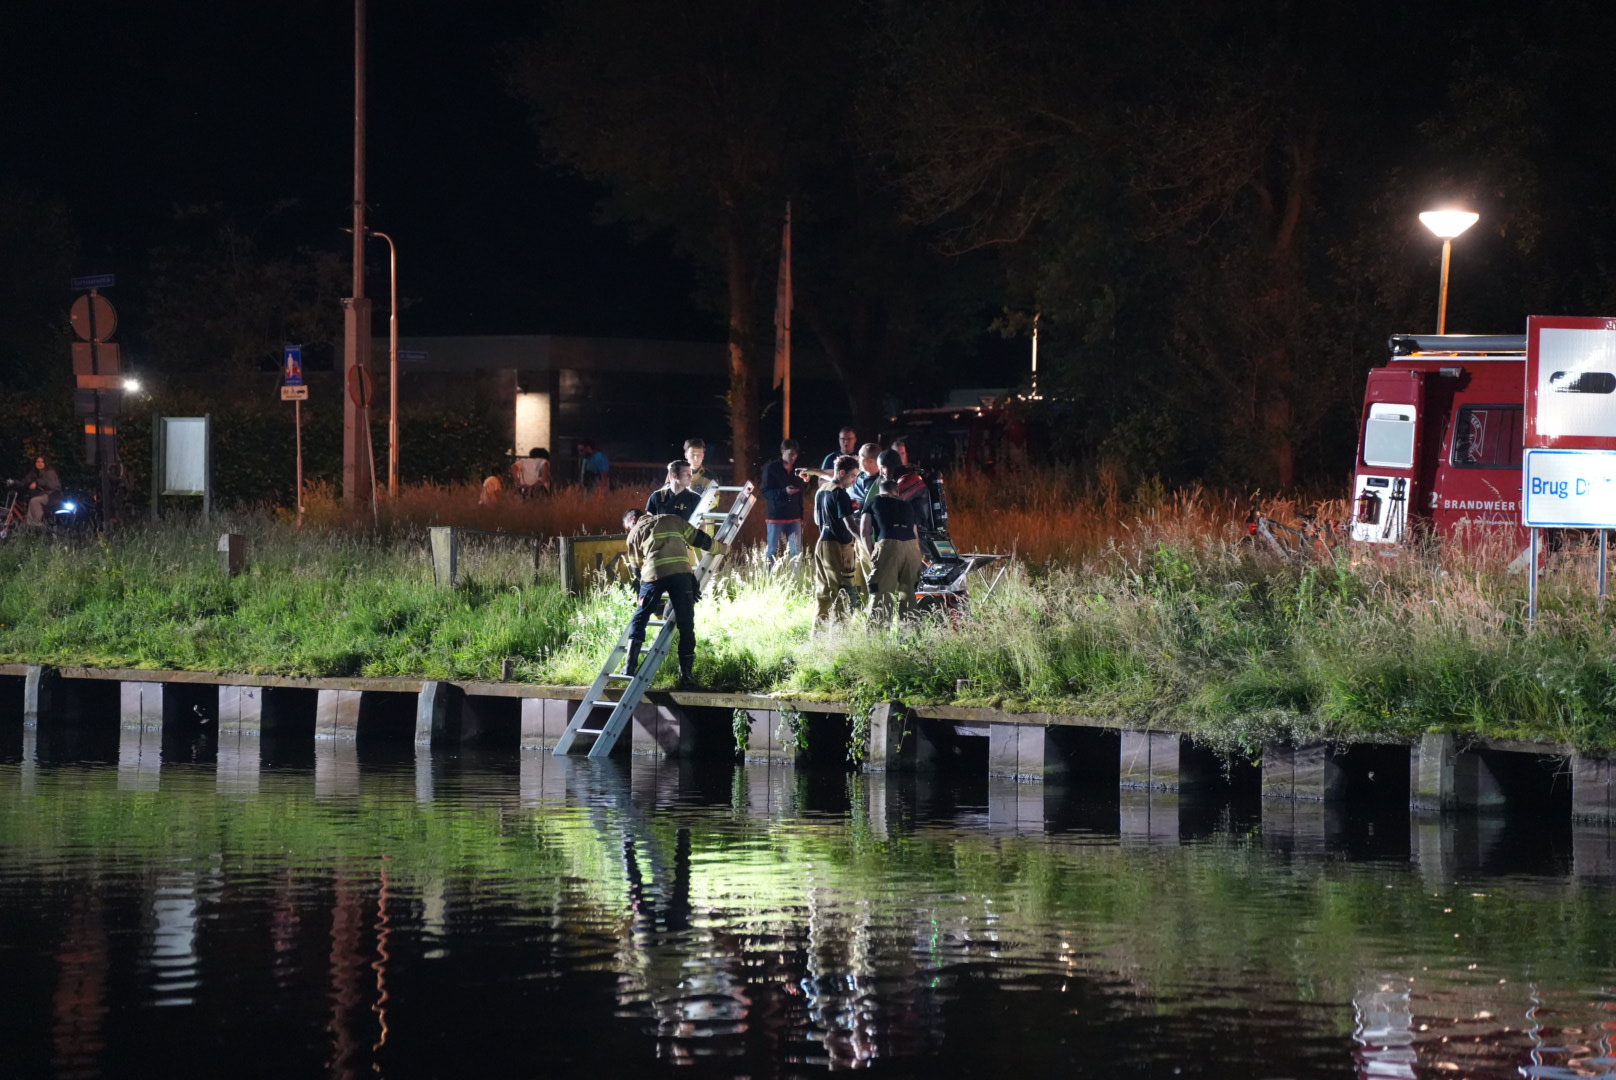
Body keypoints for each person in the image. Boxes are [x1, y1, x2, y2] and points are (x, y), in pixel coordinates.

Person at [622, 507, 724, 690]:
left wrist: (648, 590)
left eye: (627, 527)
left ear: (632, 521)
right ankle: (686, 677)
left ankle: (629, 666)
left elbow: (637, 569)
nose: (628, 531)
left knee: (641, 616)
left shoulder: (634, 533)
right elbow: (701, 539)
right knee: (686, 625)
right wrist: (723, 548)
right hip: (681, 575)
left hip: (653, 575)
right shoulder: (673, 519)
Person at [862, 477, 925, 628]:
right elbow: (915, 533)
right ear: (896, 491)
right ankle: (909, 637)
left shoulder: (872, 502)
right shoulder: (907, 505)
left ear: (879, 490)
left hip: (889, 544)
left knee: (882, 593)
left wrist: (872, 555)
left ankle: (878, 638)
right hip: (912, 548)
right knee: (909, 593)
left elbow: (864, 532)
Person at [812, 455, 861, 628]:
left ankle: (818, 635)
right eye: (853, 476)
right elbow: (851, 526)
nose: (854, 480)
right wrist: (866, 542)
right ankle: (840, 636)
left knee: (824, 593)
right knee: (843, 592)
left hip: (822, 543)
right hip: (838, 548)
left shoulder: (823, 489)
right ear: (841, 473)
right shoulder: (841, 495)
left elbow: (817, 520)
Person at [760, 439, 807, 568]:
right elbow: (765, 491)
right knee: (772, 551)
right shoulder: (771, 468)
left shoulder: (797, 471)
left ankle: (795, 580)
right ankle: (769, 579)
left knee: (796, 552)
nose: (793, 457)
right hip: (776, 516)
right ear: (782, 452)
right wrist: (783, 492)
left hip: (794, 517)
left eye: (795, 454)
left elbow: (800, 494)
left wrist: (801, 516)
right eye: (790, 454)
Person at [21, 454, 61, 527]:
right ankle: (29, 524)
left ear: (45, 463)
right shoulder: (34, 472)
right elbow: (26, 480)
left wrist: (37, 483)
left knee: (35, 501)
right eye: (37, 462)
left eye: (42, 462)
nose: (39, 464)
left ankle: (38, 524)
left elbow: (47, 482)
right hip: (41, 494)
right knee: (31, 501)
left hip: (52, 495)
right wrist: (16, 483)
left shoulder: (50, 471)